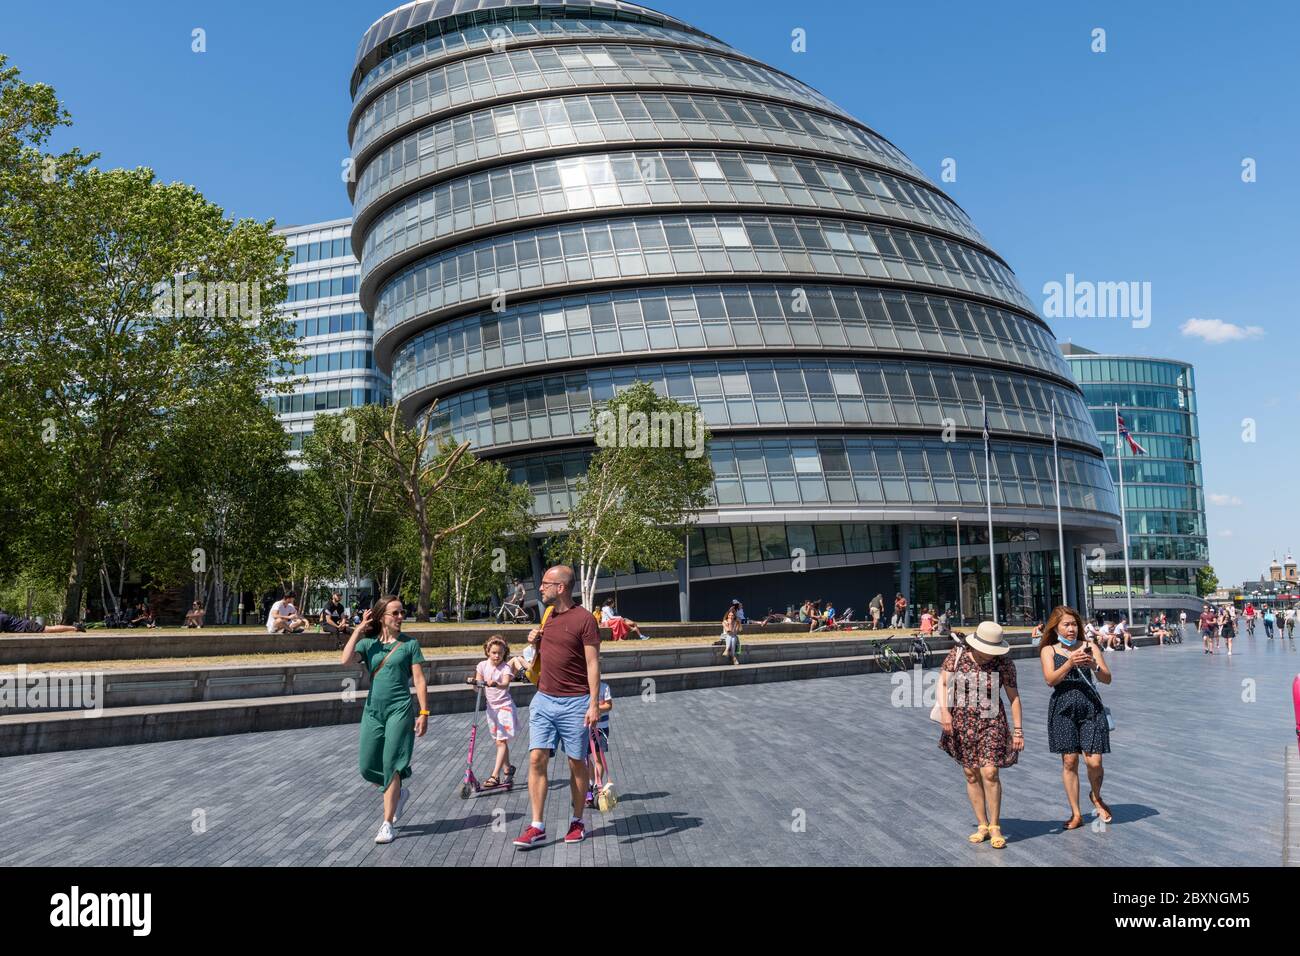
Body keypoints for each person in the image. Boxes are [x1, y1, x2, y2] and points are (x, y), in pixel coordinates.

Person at [514, 565, 601, 850]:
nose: (540, 588)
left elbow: (593, 664)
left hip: (575, 702)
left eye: (545, 583)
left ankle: (577, 821)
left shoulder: (585, 620)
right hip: (543, 699)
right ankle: (537, 826)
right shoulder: (548, 615)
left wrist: (593, 704)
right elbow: (544, 653)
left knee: (576, 763)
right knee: (536, 759)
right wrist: (534, 640)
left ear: (561, 587)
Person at [340, 595, 429, 845]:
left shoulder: (410, 644)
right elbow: (345, 660)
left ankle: (387, 823)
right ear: (382, 617)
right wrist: (358, 629)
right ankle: (398, 792)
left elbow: (419, 680)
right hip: (373, 711)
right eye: (395, 613)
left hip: (400, 709)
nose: (401, 617)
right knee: (367, 766)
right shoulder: (369, 644)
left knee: (391, 764)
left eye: (402, 612)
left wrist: (424, 712)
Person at [937, 621, 1024, 850]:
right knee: (971, 773)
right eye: (987, 650)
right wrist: (945, 713)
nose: (990, 655)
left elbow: (1014, 697)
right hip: (962, 720)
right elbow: (943, 683)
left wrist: (1018, 730)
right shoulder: (958, 654)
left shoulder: (1004, 662)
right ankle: (982, 824)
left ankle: (995, 825)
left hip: (992, 720)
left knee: (990, 772)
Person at [1039, 605, 1113, 829]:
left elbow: (1107, 678)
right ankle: (1076, 814)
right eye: (1066, 625)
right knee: (1069, 761)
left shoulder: (1090, 646)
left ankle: (1096, 795)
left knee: (1094, 761)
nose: (1071, 629)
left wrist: (1094, 665)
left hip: (1090, 707)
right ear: (1056, 628)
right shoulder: (1049, 651)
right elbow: (1050, 679)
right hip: (1063, 708)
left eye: (1074, 624)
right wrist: (1070, 663)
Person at [468, 636, 517, 790]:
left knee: (500, 742)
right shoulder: (482, 665)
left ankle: (495, 776)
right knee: (499, 741)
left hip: (505, 707)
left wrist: (496, 684)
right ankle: (508, 768)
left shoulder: (505, 668)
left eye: (500, 653)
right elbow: (477, 686)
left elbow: (505, 684)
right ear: (488, 652)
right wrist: (474, 683)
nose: (497, 656)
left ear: (504, 653)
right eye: (494, 653)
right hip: (491, 709)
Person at [584, 679, 614, 808]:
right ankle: (590, 784)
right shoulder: (583, 687)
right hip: (585, 728)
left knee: (598, 759)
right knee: (585, 759)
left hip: (601, 728)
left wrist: (595, 708)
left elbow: (609, 705)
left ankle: (597, 786)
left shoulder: (604, 687)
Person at [0, 609, 83, 633]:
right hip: (27, 625)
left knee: (50, 629)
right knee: (50, 629)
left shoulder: (1, 617)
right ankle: (74, 627)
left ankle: (75, 627)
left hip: (28, 627)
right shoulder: (2, 615)